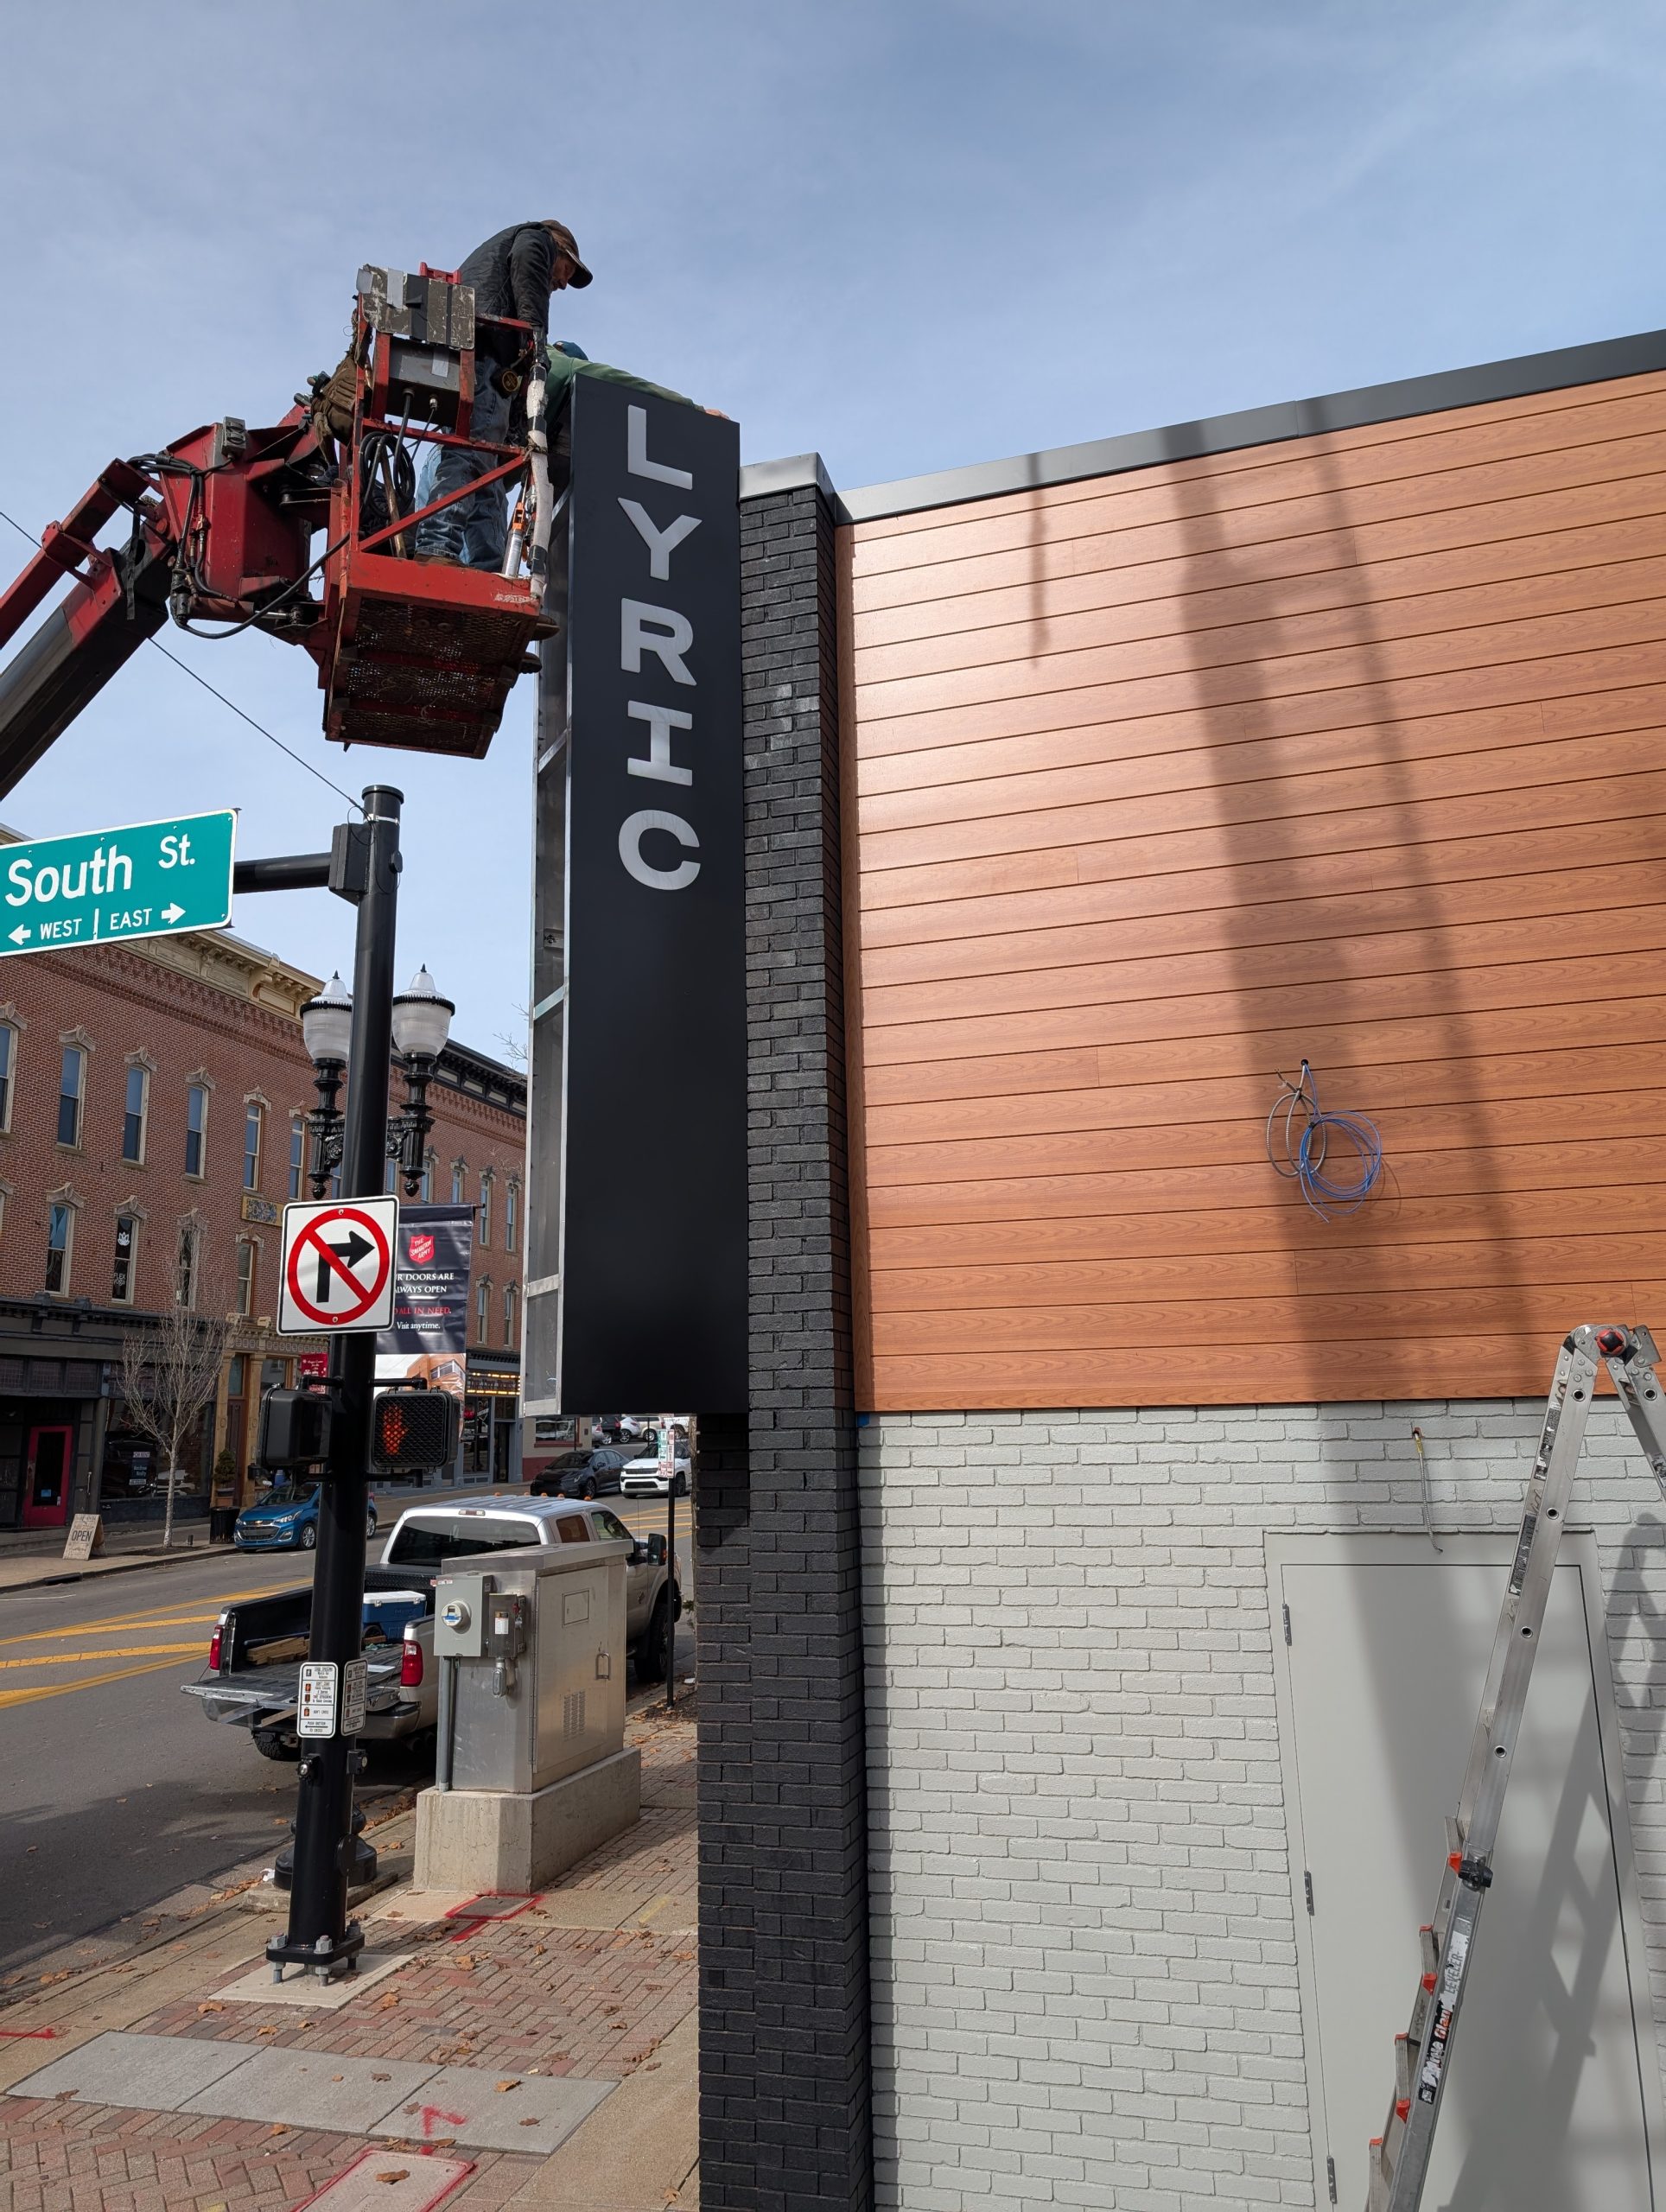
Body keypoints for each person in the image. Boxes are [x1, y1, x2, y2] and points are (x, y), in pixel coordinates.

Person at [415, 219, 593, 568]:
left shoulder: (505, 253)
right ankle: (437, 545)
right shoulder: (537, 239)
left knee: (485, 466)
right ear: (557, 246)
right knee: (470, 454)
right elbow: (528, 261)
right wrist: (535, 339)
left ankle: (484, 565)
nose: (562, 284)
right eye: (566, 270)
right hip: (486, 353)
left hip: (482, 355)